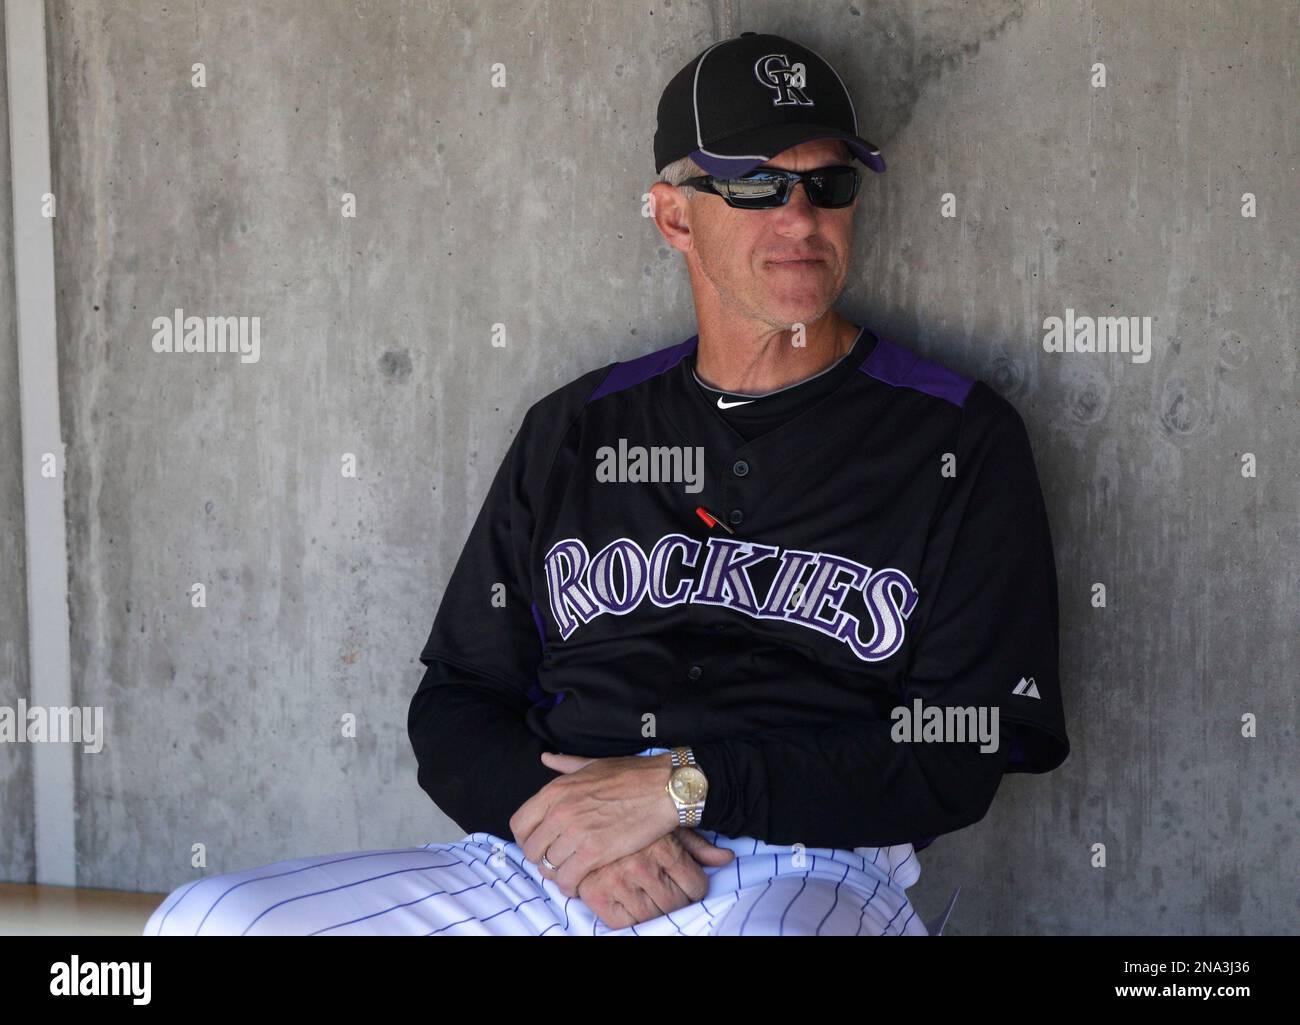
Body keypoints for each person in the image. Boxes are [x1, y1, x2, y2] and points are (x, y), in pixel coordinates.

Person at [145, 30, 1068, 938]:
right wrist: (568, 826)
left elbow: (961, 744)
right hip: (551, 860)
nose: (799, 219)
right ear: (674, 216)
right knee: (209, 919)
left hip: (801, 869)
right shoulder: (578, 427)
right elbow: (456, 699)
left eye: (826, 184)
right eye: (751, 184)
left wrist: (681, 784)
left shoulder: (956, 436)